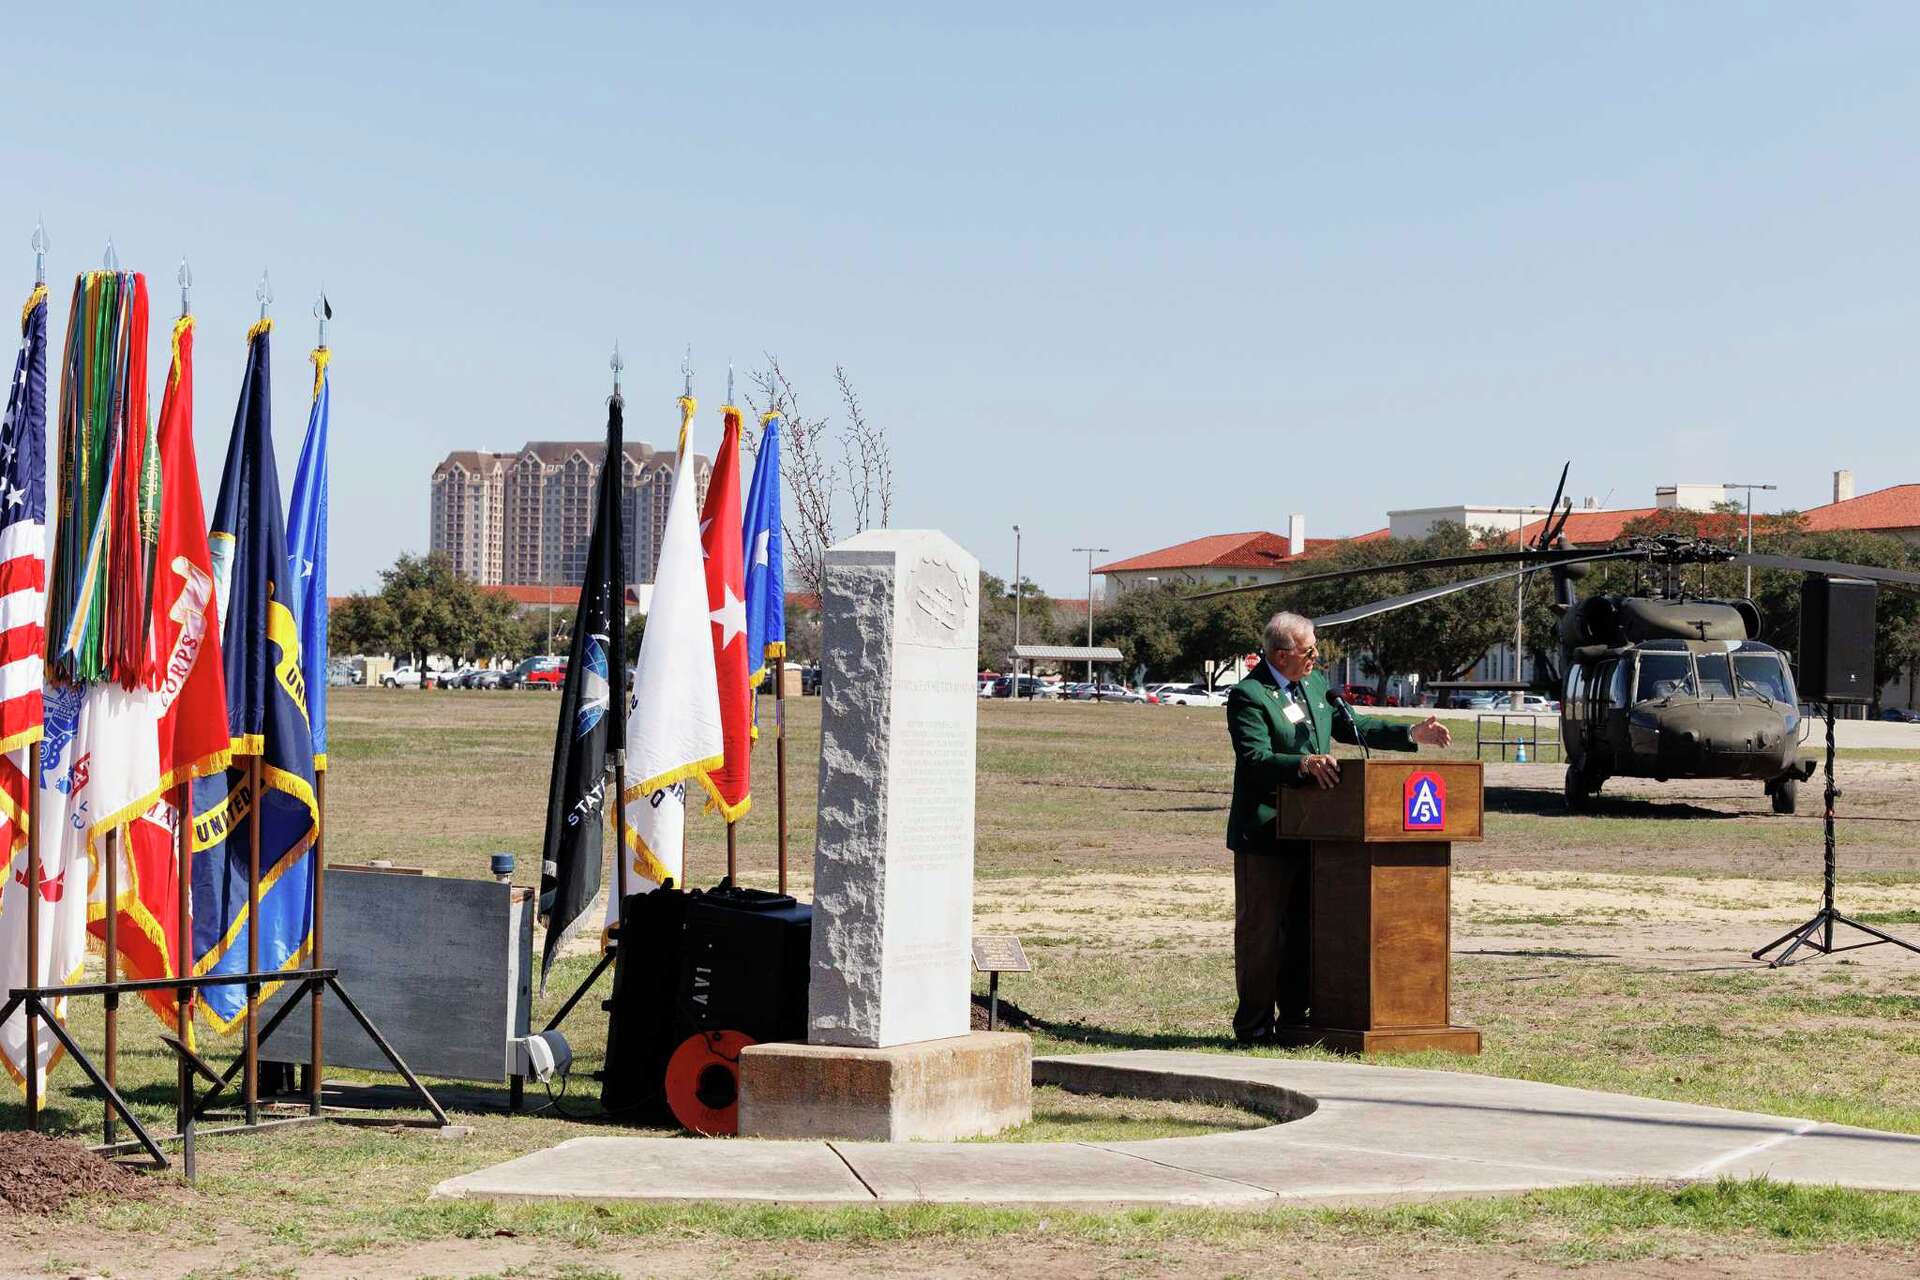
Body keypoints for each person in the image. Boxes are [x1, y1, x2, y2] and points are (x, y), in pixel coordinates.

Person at [1225, 611, 1452, 1044]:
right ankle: (1254, 1027)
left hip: (1318, 831)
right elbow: (1254, 762)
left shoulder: (1314, 684)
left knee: (1306, 931)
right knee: (1263, 934)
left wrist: (1409, 733)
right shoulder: (1250, 695)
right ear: (1280, 654)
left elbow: (1353, 725)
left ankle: (1297, 1019)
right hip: (1267, 835)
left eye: (1315, 648)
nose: (1316, 657)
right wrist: (1303, 764)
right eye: (1308, 650)